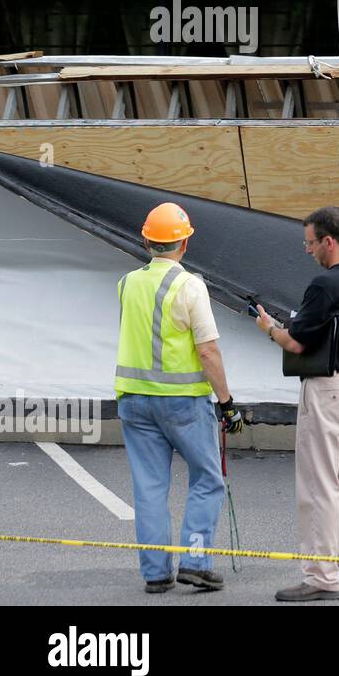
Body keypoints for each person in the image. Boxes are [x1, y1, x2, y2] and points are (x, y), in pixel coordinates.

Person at [116, 202, 243, 594]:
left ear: (146, 239)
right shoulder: (190, 286)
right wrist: (227, 403)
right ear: (184, 243)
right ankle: (195, 562)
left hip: (134, 401)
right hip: (183, 402)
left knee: (150, 487)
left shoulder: (126, 284)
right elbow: (207, 351)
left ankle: (155, 573)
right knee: (207, 479)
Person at [256, 205, 339, 602]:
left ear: (328, 241)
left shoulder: (326, 286)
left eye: (310, 243)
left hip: (328, 388)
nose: (308, 250)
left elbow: (296, 341)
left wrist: (270, 328)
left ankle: (321, 576)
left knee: (319, 483)